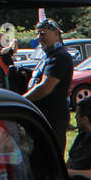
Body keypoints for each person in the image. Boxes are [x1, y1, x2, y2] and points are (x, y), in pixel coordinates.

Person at [24, 18, 73, 153]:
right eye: (38, 34)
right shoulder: (48, 56)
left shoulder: (60, 57)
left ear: (57, 33)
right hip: (42, 117)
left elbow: (45, 87)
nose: (39, 38)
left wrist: (21, 101)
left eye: (43, 33)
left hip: (53, 119)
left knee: (50, 162)